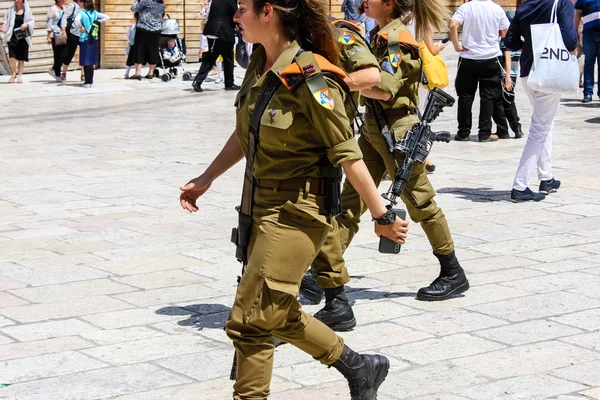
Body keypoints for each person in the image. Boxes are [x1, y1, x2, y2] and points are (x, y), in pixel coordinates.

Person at [180, 0, 409, 397]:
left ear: (267, 11)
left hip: (299, 212)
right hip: (259, 206)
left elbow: (346, 151)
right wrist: (207, 178)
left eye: (241, 9)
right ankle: (359, 367)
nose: (234, 17)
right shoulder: (259, 64)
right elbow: (245, 133)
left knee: (250, 321)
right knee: (277, 311)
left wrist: (381, 212)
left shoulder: (310, 74)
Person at [302, 0, 469, 333]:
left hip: (397, 134)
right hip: (376, 132)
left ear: (389, 3)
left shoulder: (396, 39)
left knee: (421, 203)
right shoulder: (380, 35)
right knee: (349, 204)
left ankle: (452, 272)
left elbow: (387, 87)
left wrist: (340, 82)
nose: (363, 1)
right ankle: (324, 274)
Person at [506, 0, 577, 202]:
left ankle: (546, 177)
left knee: (545, 124)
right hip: (549, 72)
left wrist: (529, 46)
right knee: (539, 128)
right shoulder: (561, 3)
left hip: (528, 72)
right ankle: (520, 186)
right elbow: (570, 40)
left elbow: (510, 42)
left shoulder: (525, 6)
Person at [449, 0, 510, 142]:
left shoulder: (466, 7)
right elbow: (505, 31)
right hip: (491, 57)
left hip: (468, 58)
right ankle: (484, 133)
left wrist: (456, 45)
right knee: (488, 96)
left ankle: (463, 132)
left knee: (465, 96)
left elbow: (453, 25)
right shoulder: (497, 9)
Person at [191, 0, 239, 92]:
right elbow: (236, 16)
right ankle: (229, 83)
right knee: (227, 58)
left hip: (212, 30)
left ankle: (198, 81)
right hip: (223, 32)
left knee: (212, 57)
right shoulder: (231, 1)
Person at [492, 13, 524, 140]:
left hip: (506, 75)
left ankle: (512, 128)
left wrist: (507, 77)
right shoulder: (517, 40)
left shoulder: (506, 40)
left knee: (502, 102)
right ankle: (510, 128)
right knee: (507, 100)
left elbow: (507, 58)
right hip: (513, 74)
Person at [75, 0, 109, 88]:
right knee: (91, 61)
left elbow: (76, 21)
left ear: (83, 3)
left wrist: (81, 27)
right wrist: (98, 22)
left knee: (86, 60)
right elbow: (106, 17)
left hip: (85, 38)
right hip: (93, 38)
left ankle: (87, 82)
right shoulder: (94, 13)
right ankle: (91, 82)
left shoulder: (81, 13)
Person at [130, 0, 165, 80]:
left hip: (143, 29)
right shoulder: (161, 3)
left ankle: (138, 73)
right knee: (153, 51)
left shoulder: (145, 1)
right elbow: (162, 15)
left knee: (139, 50)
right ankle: (150, 73)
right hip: (156, 30)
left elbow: (133, 8)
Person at [1, 0, 34, 84]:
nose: (17, 1)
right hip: (12, 36)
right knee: (12, 57)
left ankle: (19, 76)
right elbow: (5, 21)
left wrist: (26, 24)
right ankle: (13, 74)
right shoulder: (10, 10)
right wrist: (4, 26)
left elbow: (31, 21)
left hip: (23, 37)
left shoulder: (27, 10)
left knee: (21, 58)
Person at [574, 0, 600, 102]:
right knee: (589, 62)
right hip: (589, 33)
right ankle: (588, 93)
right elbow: (578, 13)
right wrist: (575, 30)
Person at [60, 0, 81, 83]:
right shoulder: (73, 6)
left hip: (83, 33)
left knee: (84, 53)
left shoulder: (85, 6)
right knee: (70, 53)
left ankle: (83, 74)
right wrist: (63, 30)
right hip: (73, 33)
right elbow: (65, 17)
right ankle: (64, 73)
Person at [46, 0, 66, 82]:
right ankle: (57, 74)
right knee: (57, 55)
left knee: (65, 54)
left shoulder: (64, 8)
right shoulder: (52, 9)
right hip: (55, 35)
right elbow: (49, 22)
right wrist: (48, 36)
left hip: (63, 34)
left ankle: (54, 68)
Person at [124, 13, 138, 79]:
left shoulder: (133, 27)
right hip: (133, 45)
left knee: (131, 60)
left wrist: (130, 41)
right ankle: (127, 73)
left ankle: (127, 73)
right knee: (131, 59)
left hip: (134, 45)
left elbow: (129, 36)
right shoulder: (132, 26)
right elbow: (129, 36)